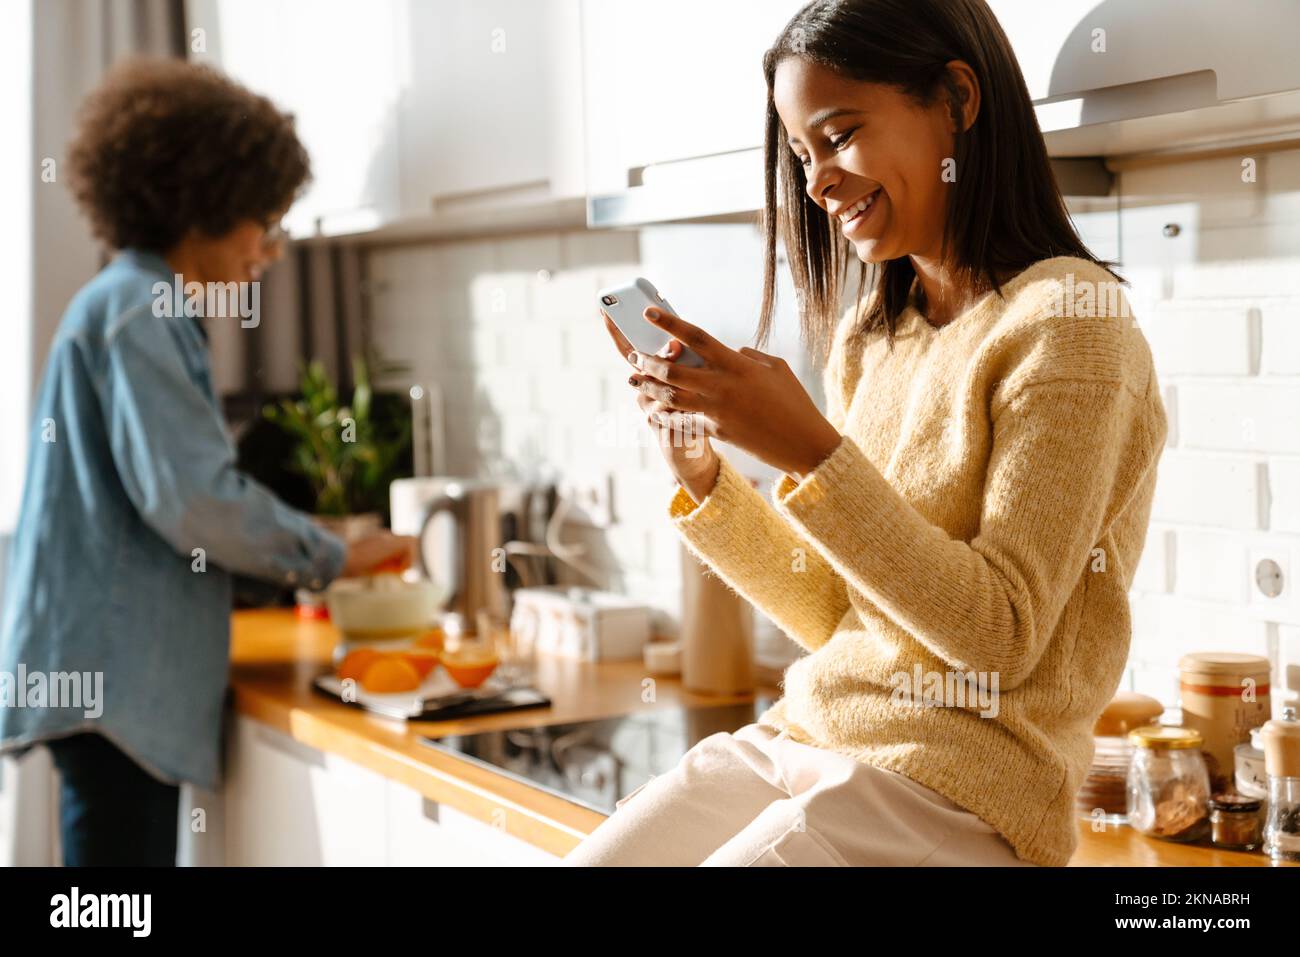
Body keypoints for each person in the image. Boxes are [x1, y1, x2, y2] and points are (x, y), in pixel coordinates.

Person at [573, 0, 1167, 867]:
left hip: (960, 792)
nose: (816, 181)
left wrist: (812, 451)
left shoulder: (1070, 323)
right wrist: (703, 473)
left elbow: (998, 637)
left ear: (957, 99)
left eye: (840, 134)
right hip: (807, 738)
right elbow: (837, 611)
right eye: (803, 154)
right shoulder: (870, 337)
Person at [0, 58, 413, 866]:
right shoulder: (141, 311)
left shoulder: (125, 301)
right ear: (205, 205)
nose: (271, 250)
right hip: (113, 685)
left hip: (104, 678)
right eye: (264, 220)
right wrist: (333, 553)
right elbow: (192, 499)